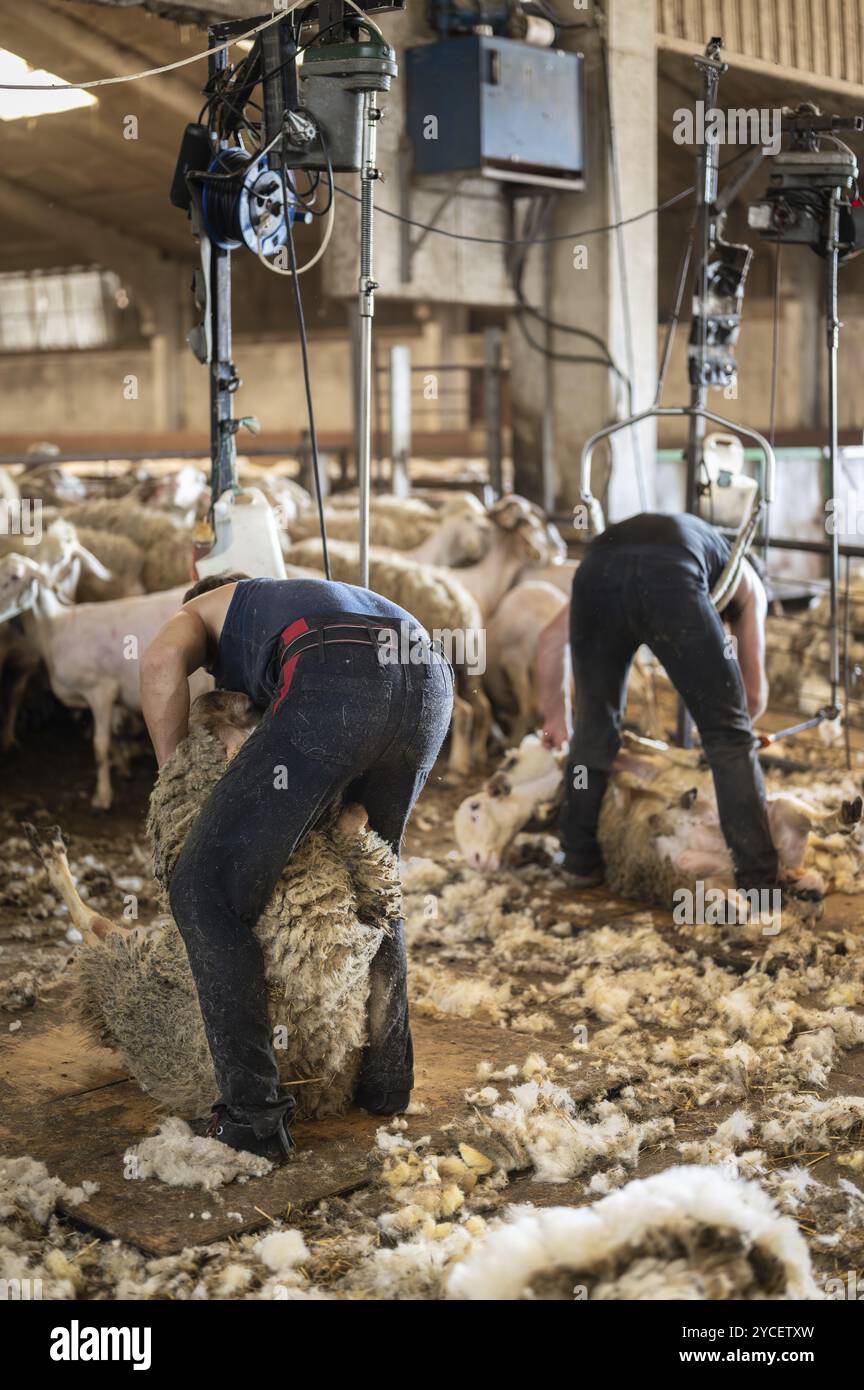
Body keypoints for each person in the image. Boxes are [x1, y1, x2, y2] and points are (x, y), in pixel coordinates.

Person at [140, 571, 454, 1160]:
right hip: (429, 682)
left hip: (339, 678)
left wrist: (173, 775)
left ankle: (252, 1120)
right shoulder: (295, 599)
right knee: (372, 882)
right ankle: (387, 1082)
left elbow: (159, 663)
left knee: (206, 891)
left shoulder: (202, 614)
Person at [537, 511, 778, 893]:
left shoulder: (621, 557)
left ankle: (578, 862)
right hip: (672, 579)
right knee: (730, 740)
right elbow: (752, 697)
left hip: (595, 572)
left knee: (593, 732)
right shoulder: (747, 579)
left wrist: (555, 715)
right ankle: (760, 884)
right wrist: (726, 736)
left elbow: (550, 640)